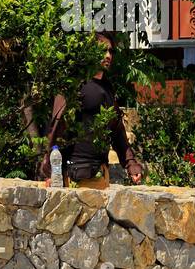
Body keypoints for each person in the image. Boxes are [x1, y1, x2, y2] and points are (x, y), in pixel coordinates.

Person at [47, 32, 145, 189]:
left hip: (101, 173)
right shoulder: (75, 84)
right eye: (102, 50)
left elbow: (116, 130)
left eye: (110, 51)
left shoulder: (107, 88)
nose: (108, 56)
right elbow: (56, 127)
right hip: (77, 174)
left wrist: (130, 164)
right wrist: (48, 171)